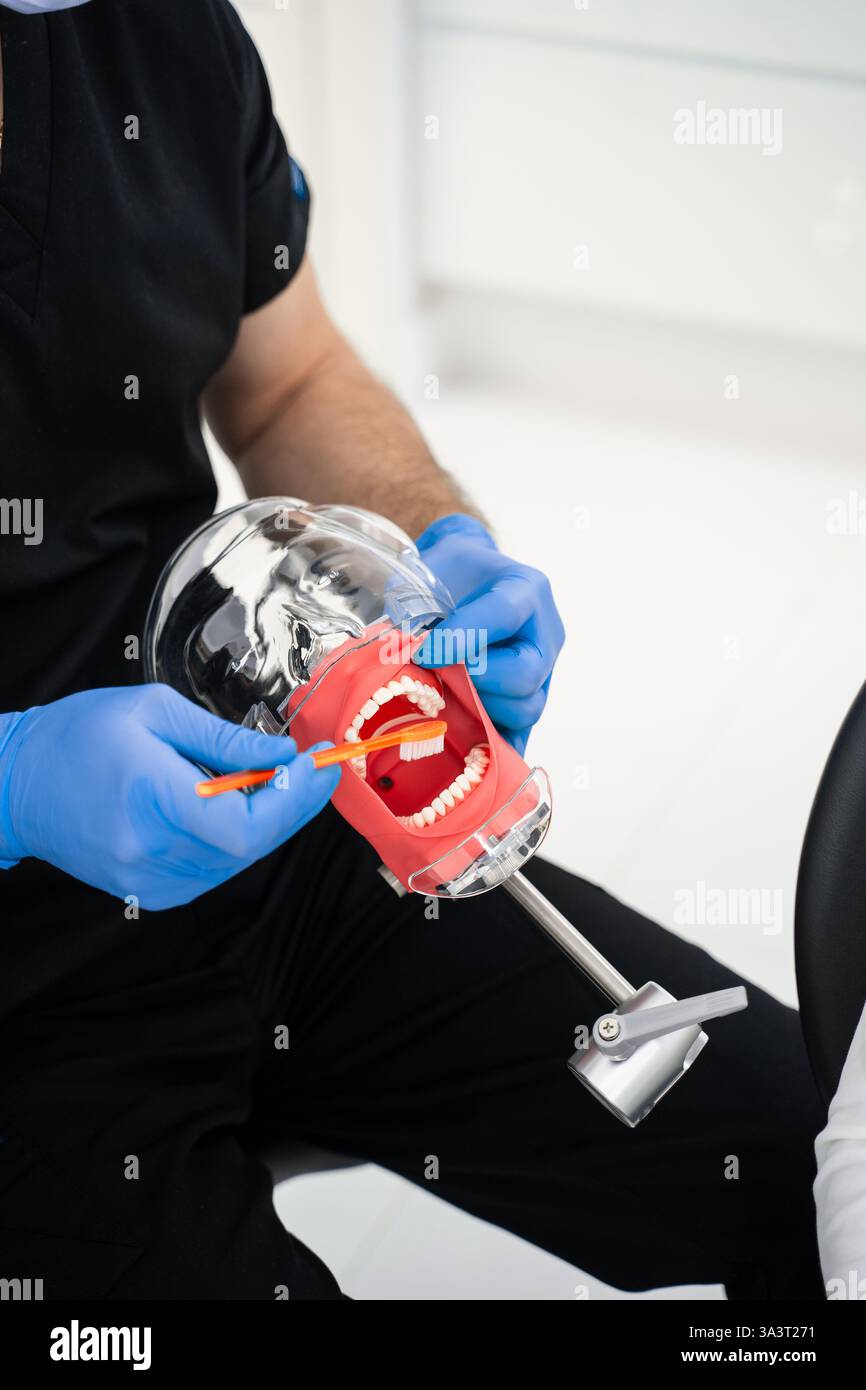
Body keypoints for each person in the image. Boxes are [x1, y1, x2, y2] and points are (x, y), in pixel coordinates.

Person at [0, 0, 824, 1299]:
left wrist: (434, 540)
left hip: (267, 830)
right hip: (21, 1000)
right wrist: (11, 783)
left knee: (809, 1161)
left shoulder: (162, 40)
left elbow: (286, 376)